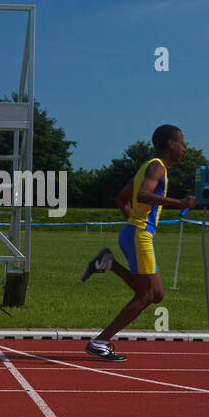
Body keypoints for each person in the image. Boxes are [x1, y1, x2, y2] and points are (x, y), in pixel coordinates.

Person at [80, 124, 195, 362]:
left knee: (157, 294)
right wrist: (180, 203)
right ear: (170, 144)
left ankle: (109, 263)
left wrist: (134, 222)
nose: (184, 148)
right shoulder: (156, 167)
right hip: (138, 234)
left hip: (134, 232)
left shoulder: (148, 166)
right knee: (145, 296)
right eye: (182, 143)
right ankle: (99, 342)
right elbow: (142, 195)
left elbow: (122, 198)